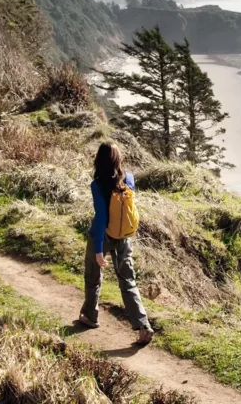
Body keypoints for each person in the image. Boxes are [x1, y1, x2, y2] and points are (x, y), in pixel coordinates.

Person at [78, 142, 154, 345]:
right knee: (128, 282)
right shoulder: (128, 179)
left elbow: (102, 216)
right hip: (123, 237)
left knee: (93, 278)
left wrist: (100, 249)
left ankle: (90, 316)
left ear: (99, 160)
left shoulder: (97, 185)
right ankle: (143, 325)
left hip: (100, 237)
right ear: (118, 159)